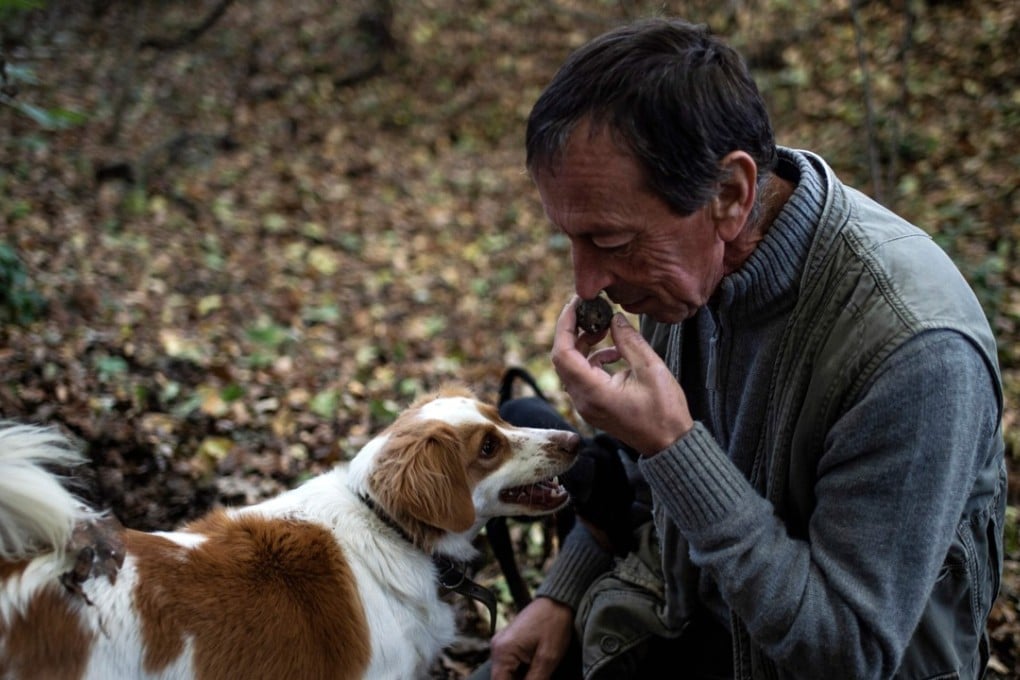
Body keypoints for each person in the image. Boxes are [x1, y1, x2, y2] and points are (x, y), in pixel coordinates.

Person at [476, 17, 1007, 680]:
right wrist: (563, 589)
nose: (588, 284)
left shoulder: (915, 352)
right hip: (679, 618)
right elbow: (647, 485)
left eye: (610, 244)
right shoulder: (688, 274)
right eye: (571, 241)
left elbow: (849, 653)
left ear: (731, 194)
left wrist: (675, 447)